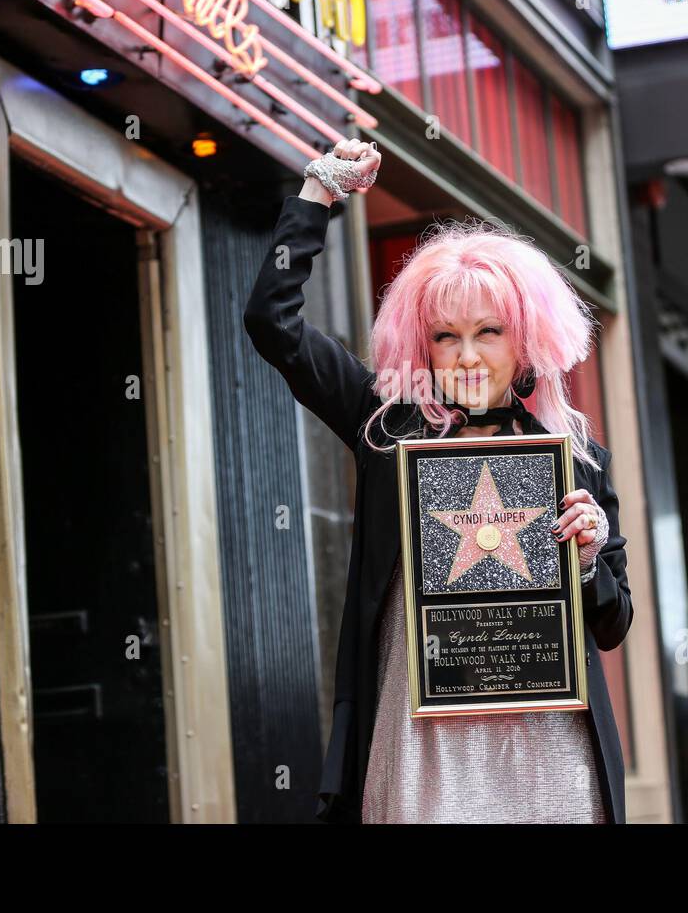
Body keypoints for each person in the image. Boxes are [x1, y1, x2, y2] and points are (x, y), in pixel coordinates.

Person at [244, 138, 634, 823]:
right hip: (423, 743)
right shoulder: (385, 427)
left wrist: (588, 557)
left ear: (527, 340)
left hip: (550, 750)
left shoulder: (576, 456)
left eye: (489, 331)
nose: (468, 355)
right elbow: (271, 322)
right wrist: (317, 193)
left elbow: (613, 623)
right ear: (421, 344)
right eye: (447, 336)